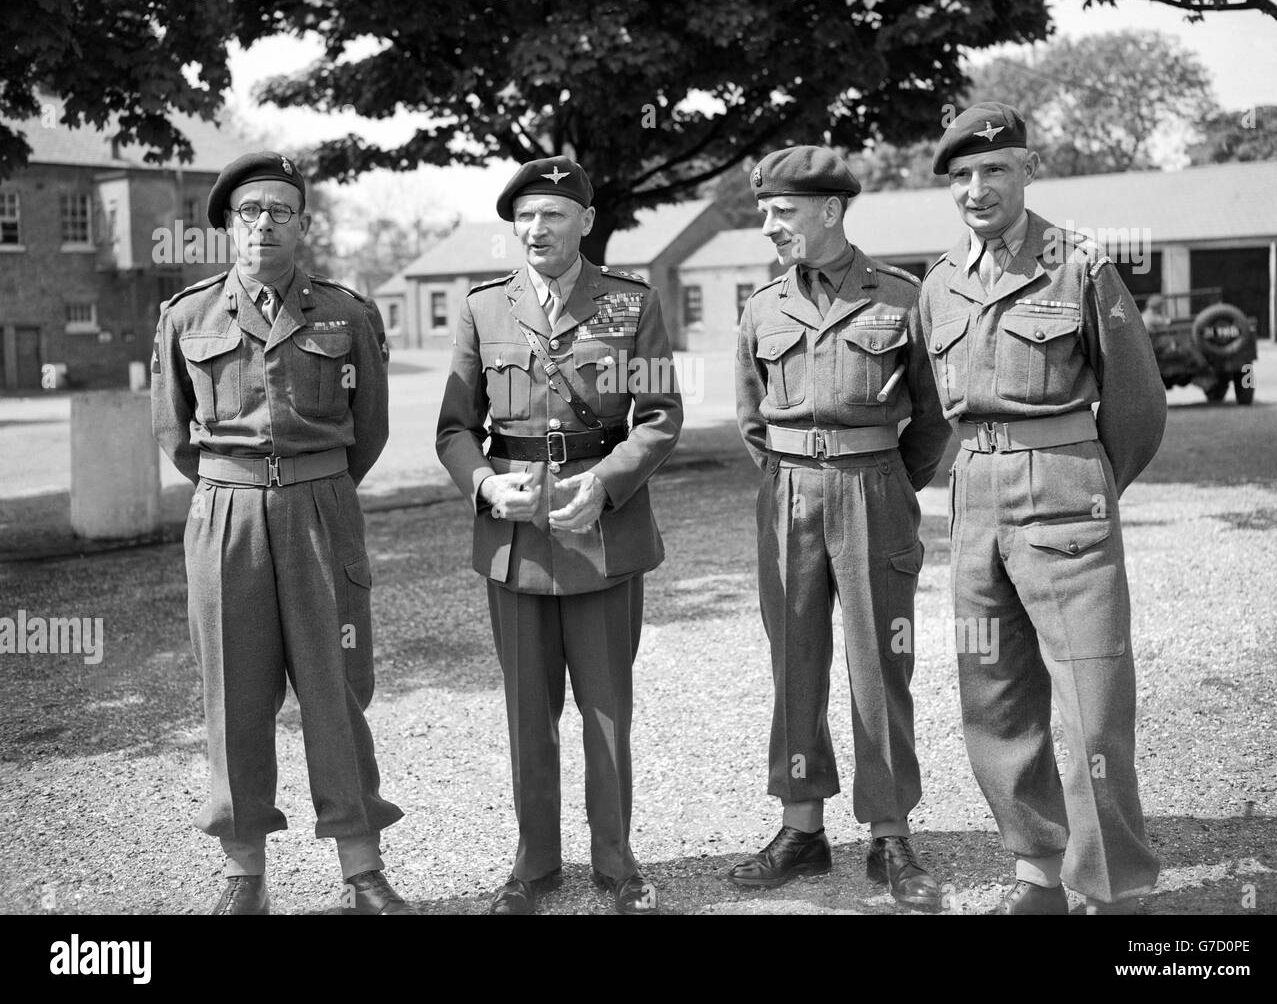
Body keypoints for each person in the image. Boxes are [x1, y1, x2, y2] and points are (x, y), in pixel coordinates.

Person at [919, 102, 1167, 915]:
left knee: (1093, 707)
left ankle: (1111, 886)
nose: (976, 188)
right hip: (974, 509)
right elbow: (932, 412)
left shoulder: (1079, 265)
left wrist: (1086, 484)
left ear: (1030, 171)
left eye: (994, 170)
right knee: (993, 698)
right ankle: (1037, 872)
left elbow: (1137, 404)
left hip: (1063, 496)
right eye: (961, 176)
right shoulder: (939, 282)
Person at [151, 151, 409, 915]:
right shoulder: (187, 315)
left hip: (320, 511)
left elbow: (370, 431)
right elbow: (174, 433)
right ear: (232, 225)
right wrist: (236, 492)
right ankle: (244, 877)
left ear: (304, 224)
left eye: (281, 211)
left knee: (336, 690)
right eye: (250, 211)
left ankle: (363, 871)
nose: (265, 223)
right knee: (232, 694)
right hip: (225, 517)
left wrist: (310, 490)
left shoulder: (346, 312)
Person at [436, 155, 683, 916]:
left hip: (599, 529)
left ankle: (616, 862)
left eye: (551, 215)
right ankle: (535, 862)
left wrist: (607, 484)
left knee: (608, 708)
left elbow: (660, 416)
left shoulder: (628, 303)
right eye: (524, 217)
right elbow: (453, 429)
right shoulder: (484, 308)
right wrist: (482, 482)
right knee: (527, 710)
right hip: (516, 534)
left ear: (585, 222)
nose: (535, 229)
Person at [731, 145, 952, 911]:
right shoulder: (762, 306)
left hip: (873, 491)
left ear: (831, 211)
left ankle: (889, 837)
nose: (769, 225)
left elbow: (931, 418)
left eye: (782, 213)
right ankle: (802, 830)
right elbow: (751, 421)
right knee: (794, 663)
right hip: (788, 492)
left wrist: (886, 485)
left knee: (878, 665)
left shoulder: (901, 296)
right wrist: (798, 477)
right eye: (766, 212)